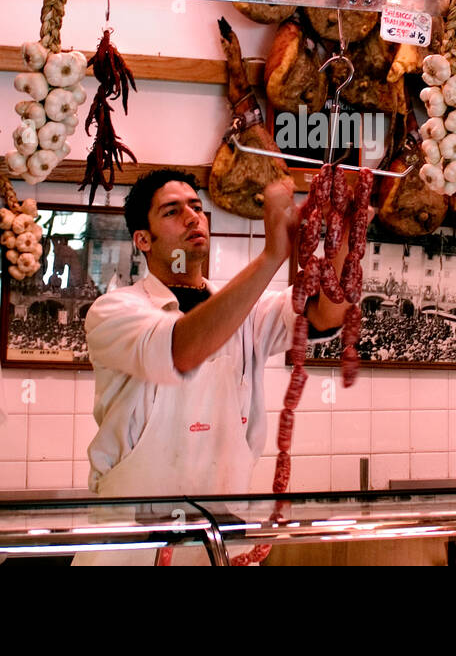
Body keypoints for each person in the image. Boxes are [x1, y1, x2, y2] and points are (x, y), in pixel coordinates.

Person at [75, 169, 352, 565]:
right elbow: (181, 351)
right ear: (143, 239)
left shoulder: (250, 311)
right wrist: (272, 255)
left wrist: (345, 228)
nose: (193, 217)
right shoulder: (115, 311)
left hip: (220, 543)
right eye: (172, 211)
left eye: (196, 207)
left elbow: (327, 313)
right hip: (131, 548)